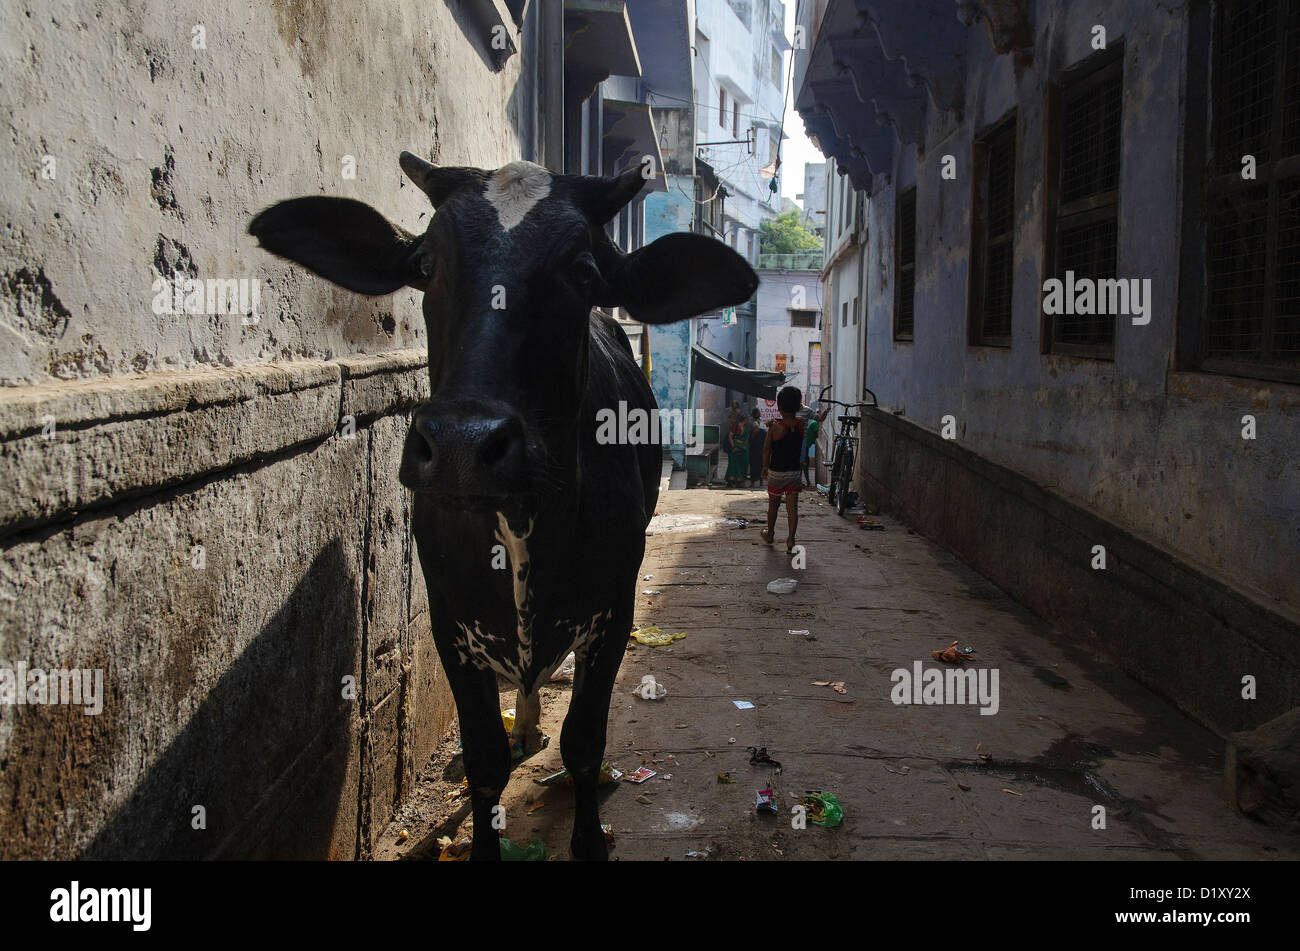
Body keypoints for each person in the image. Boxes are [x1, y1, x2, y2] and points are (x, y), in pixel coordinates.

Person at [761, 387, 830, 554]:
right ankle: (791, 540)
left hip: (776, 473)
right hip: (794, 473)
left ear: (779, 407)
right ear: (799, 406)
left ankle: (770, 533)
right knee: (792, 509)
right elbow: (817, 419)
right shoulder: (801, 425)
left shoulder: (775, 428)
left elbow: (766, 449)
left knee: (773, 506)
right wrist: (824, 412)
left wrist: (764, 467)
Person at [724, 400, 750, 488]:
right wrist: (734, 446)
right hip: (735, 448)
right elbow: (730, 436)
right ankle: (730, 481)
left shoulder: (746, 427)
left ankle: (740, 481)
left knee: (743, 464)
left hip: (743, 450)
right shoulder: (735, 426)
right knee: (732, 464)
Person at [748, 407, 766, 488]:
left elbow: (764, 431)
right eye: (758, 413)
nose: (759, 414)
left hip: (761, 446)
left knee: (760, 465)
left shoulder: (761, 421)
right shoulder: (751, 422)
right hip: (754, 446)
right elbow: (750, 432)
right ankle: (752, 482)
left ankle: (761, 481)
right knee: (753, 465)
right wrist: (754, 432)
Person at [801, 414, 821, 487]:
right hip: (805, 444)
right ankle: (807, 482)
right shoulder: (815, 423)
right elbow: (816, 434)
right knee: (805, 463)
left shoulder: (813, 422)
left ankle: (806, 482)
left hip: (806, 444)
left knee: (804, 463)